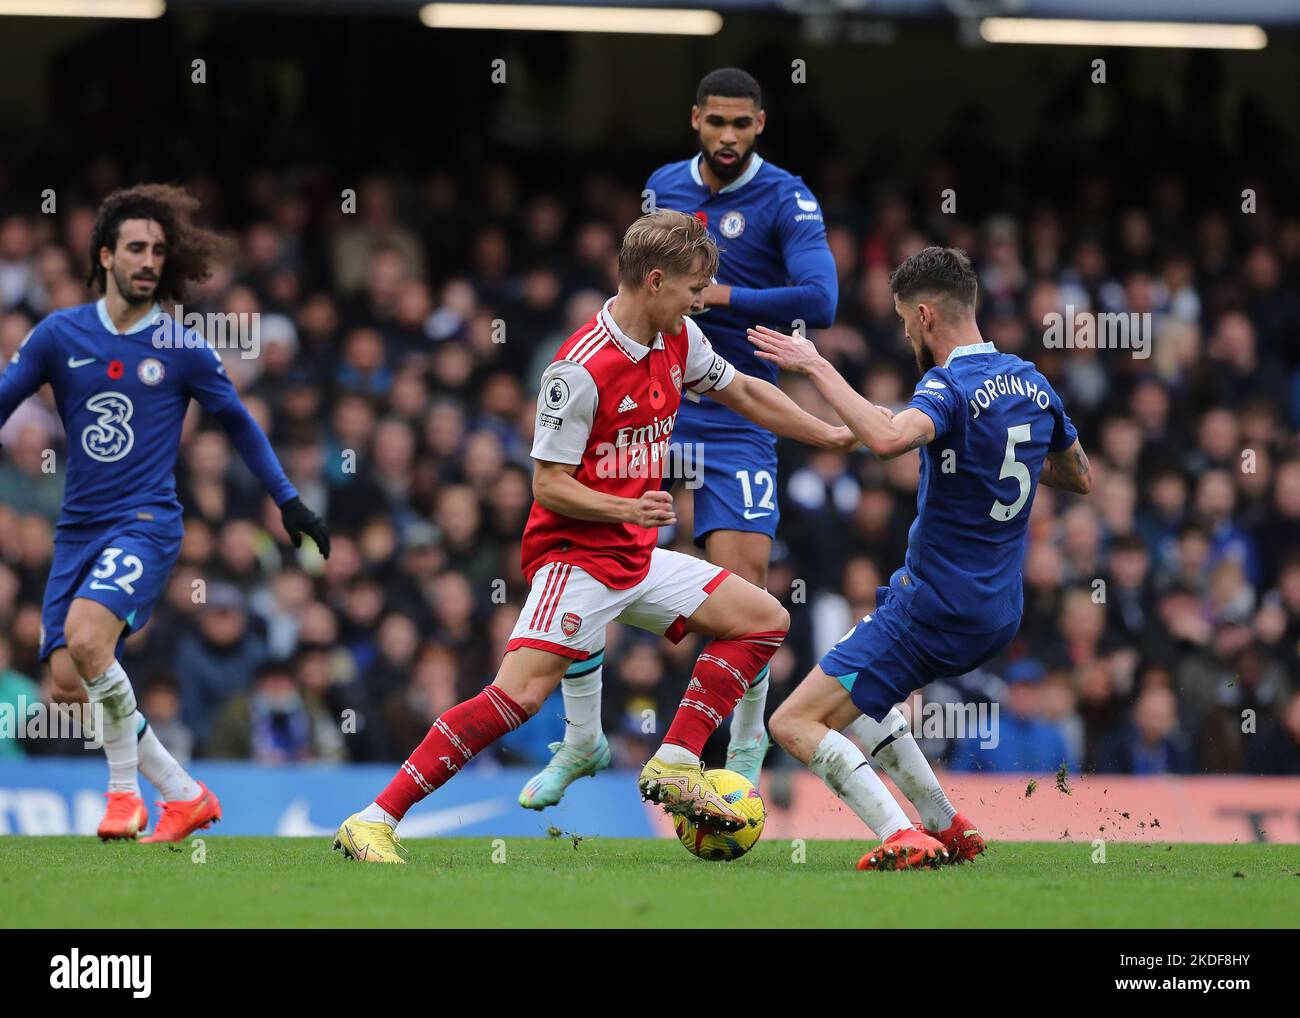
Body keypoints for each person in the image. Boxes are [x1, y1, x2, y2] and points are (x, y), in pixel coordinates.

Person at [334, 210, 855, 863]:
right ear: (656, 280)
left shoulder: (681, 339)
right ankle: (373, 819)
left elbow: (746, 392)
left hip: (634, 556)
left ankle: (674, 758)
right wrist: (623, 509)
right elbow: (547, 484)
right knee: (518, 695)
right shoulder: (578, 369)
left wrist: (831, 433)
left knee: (762, 619)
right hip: (575, 559)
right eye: (695, 288)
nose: (702, 300)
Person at [519, 67, 838, 807]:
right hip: (652, 395)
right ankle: (581, 740)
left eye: (742, 125)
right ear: (696, 119)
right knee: (585, 554)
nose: (728, 137)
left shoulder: (787, 197)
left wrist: (719, 295)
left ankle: (747, 742)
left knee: (747, 589)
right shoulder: (663, 184)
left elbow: (822, 299)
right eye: (716, 122)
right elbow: (639, 281)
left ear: (761, 125)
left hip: (733, 403)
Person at [0, 184, 330, 842]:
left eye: (158, 249)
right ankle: (183, 792)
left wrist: (288, 500)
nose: (149, 259)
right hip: (77, 531)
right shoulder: (58, 334)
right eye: (136, 248)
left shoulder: (181, 347)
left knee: (91, 640)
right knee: (68, 681)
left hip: (146, 522)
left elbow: (238, 423)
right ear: (105, 255)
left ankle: (125, 796)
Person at [753, 246, 1091, 870]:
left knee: (795, 721)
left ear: (928, 315)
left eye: (906, 319)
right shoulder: (1034, 384)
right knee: (858, 699)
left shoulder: (948, 384)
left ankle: (898, 835)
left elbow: (884, 441)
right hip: (997, 613)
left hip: (932, 607)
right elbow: (1079, 476)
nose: (905, 330)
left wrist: (815, 366)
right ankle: (946, 823)